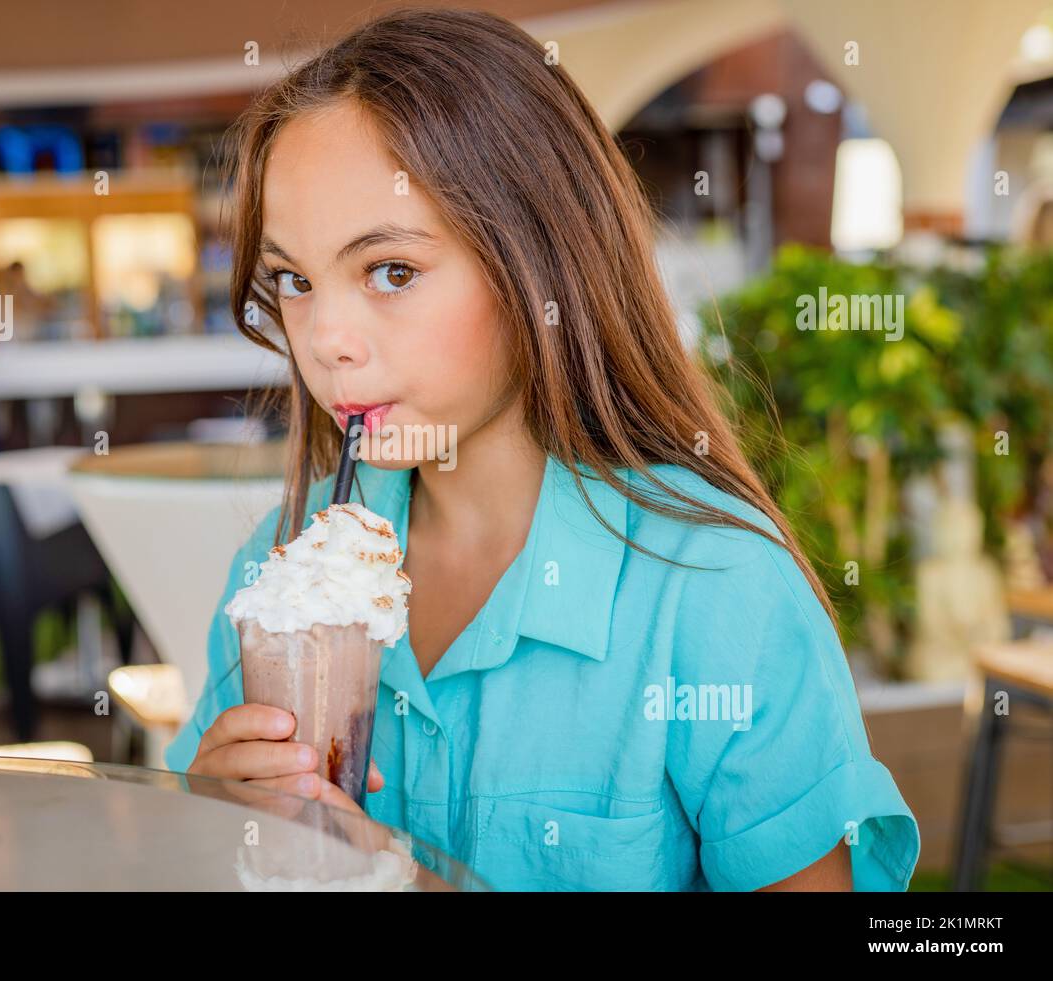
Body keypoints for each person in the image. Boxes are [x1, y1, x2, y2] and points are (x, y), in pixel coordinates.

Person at [164, 8, 920, 891]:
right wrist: (213, 826)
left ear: (540, 259)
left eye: (392, 270)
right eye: (294, 281)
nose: (326, 336)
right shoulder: (279, 572)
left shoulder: (713, 588)